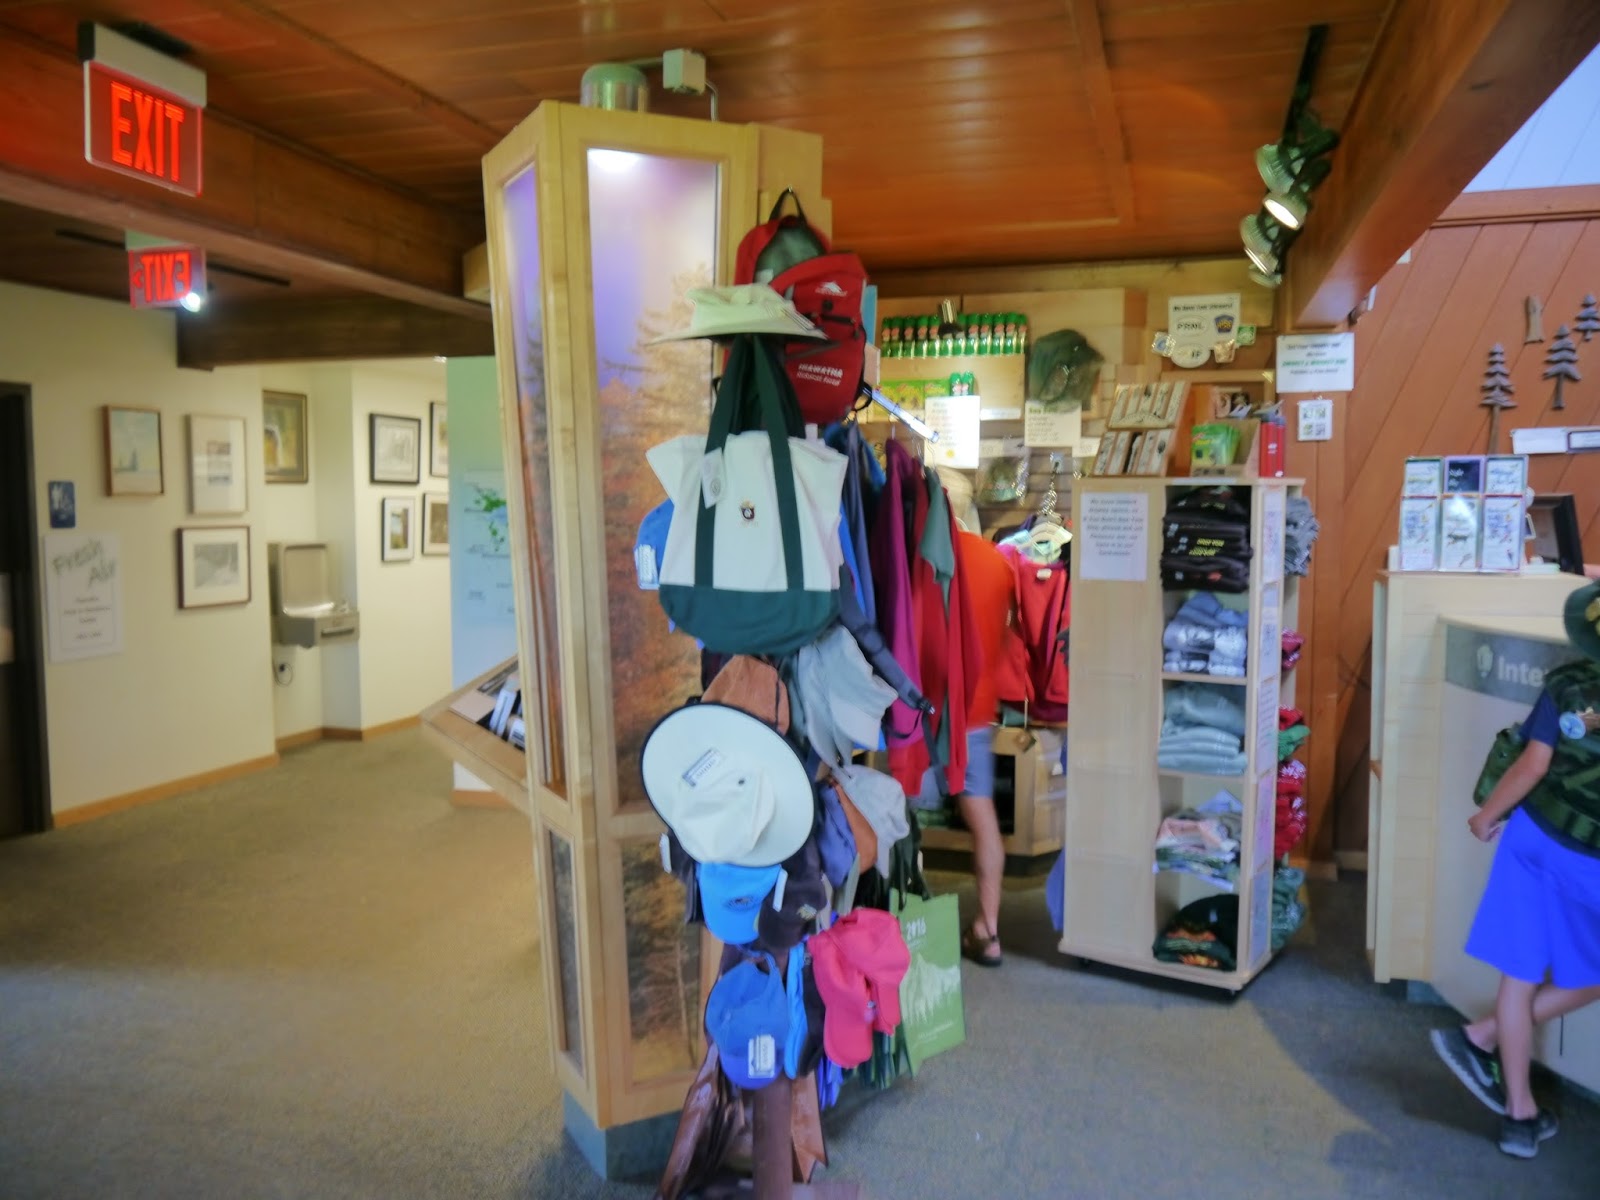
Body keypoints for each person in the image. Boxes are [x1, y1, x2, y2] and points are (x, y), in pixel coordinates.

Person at [1430, 580, 1600, 1158]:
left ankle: (1518, 1115)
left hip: (1533, 837)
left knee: (1520, 972)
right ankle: (1479, 1039)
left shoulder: (1566, 682)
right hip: (1593, 861)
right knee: (1589, 976)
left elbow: (1532, 765)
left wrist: (1485, 816)